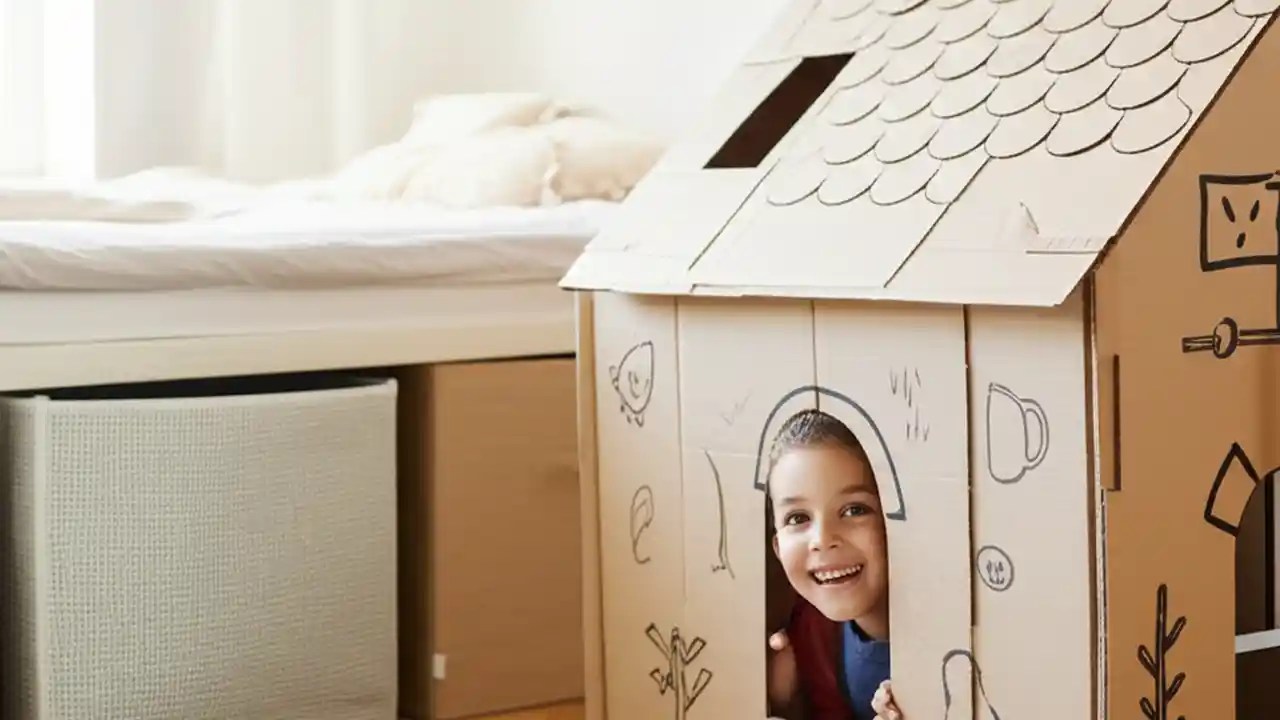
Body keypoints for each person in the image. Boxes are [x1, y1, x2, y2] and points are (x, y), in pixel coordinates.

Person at [764, 408, 903, 720]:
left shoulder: (951, 631)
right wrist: (787, 702)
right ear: (777, 546)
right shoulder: (809, 635)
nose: (823, 539)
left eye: (854, 510)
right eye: (797, 518)